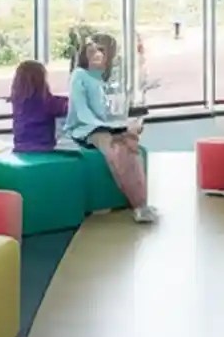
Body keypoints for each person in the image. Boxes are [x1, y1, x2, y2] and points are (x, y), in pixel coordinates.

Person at [65, 39, 157, 224]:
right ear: (84, 57)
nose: (98, 56)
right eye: (92, 53)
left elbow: (106, 113)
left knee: (130, 148)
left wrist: (120, 125)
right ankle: (138, 205)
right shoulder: (79, 75)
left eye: (100, 52)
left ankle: (140, 202)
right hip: (85, 129)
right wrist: (111, 128)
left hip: (102, 126)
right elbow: (82, 112)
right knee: (117, 150)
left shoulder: (97, 79)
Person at [11, 59, 68, 153]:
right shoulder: (45, 102)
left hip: (19, 147)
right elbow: (65, 107)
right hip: (42, 148)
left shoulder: (18, 101)